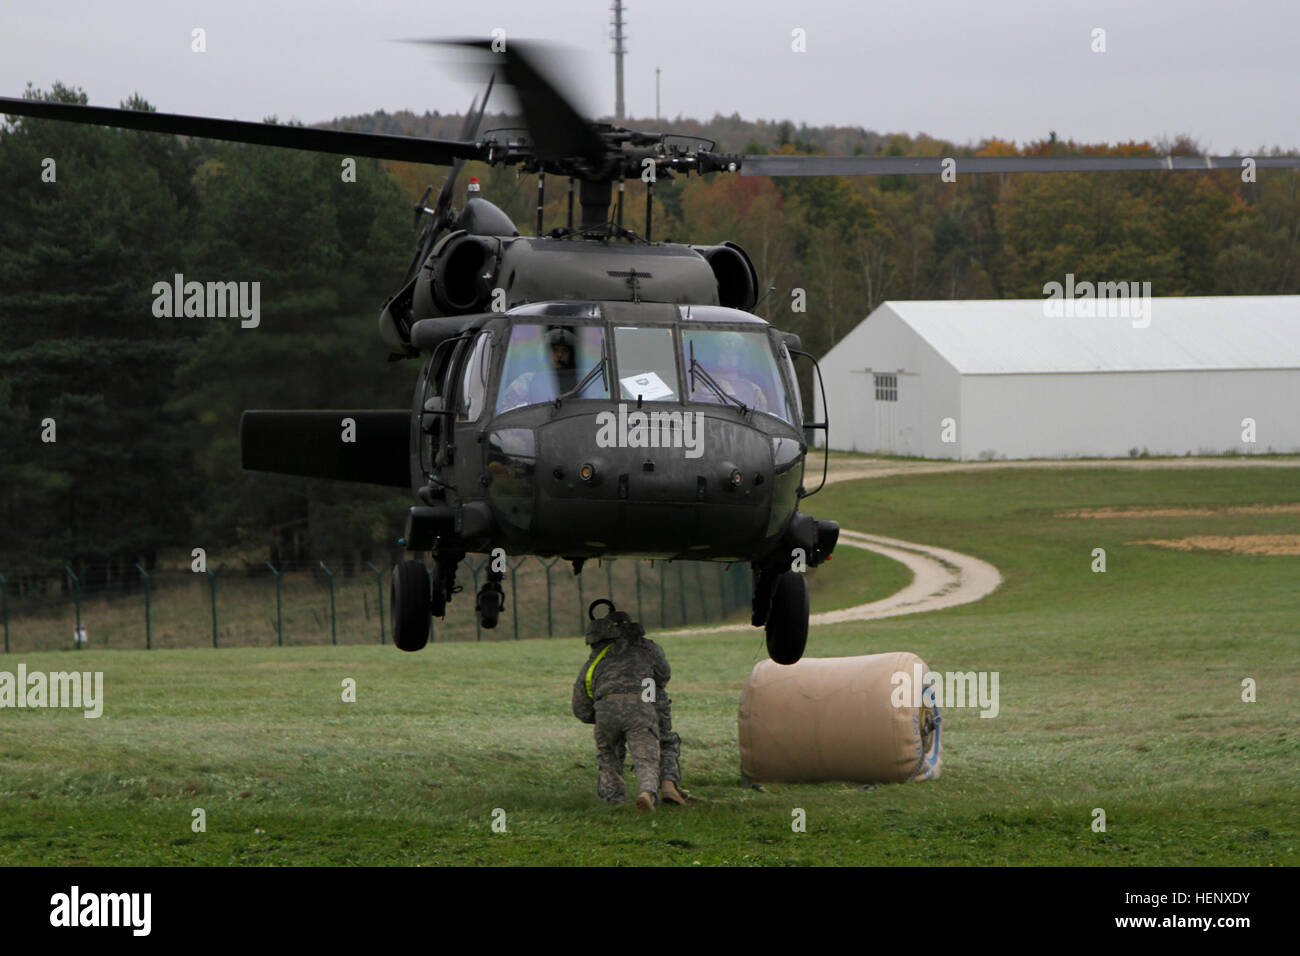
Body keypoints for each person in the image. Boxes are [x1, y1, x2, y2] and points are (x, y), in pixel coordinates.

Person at [572, 601, 674, 812]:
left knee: (607, 756)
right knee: (646, 756)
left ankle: (613, 800)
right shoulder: (645, 649)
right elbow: (663, 676)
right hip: (640, 707)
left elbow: (580, 706)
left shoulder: (594, 662)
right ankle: (647, 792)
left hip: (606, 709)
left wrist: (600, 714)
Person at [501, 326, 577, 409]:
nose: (559, 355)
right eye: (554, 350)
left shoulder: (581, 380)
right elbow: (505, 408)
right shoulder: (527, 380)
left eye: (565, 351)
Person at [693, 332, 770, 412]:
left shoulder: (753, 390)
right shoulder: (703, 384)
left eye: (734, 354)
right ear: (716, 356)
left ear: (740, 357)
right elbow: (693, 413)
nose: (729, 357)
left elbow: (762, 420)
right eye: (723, 353)